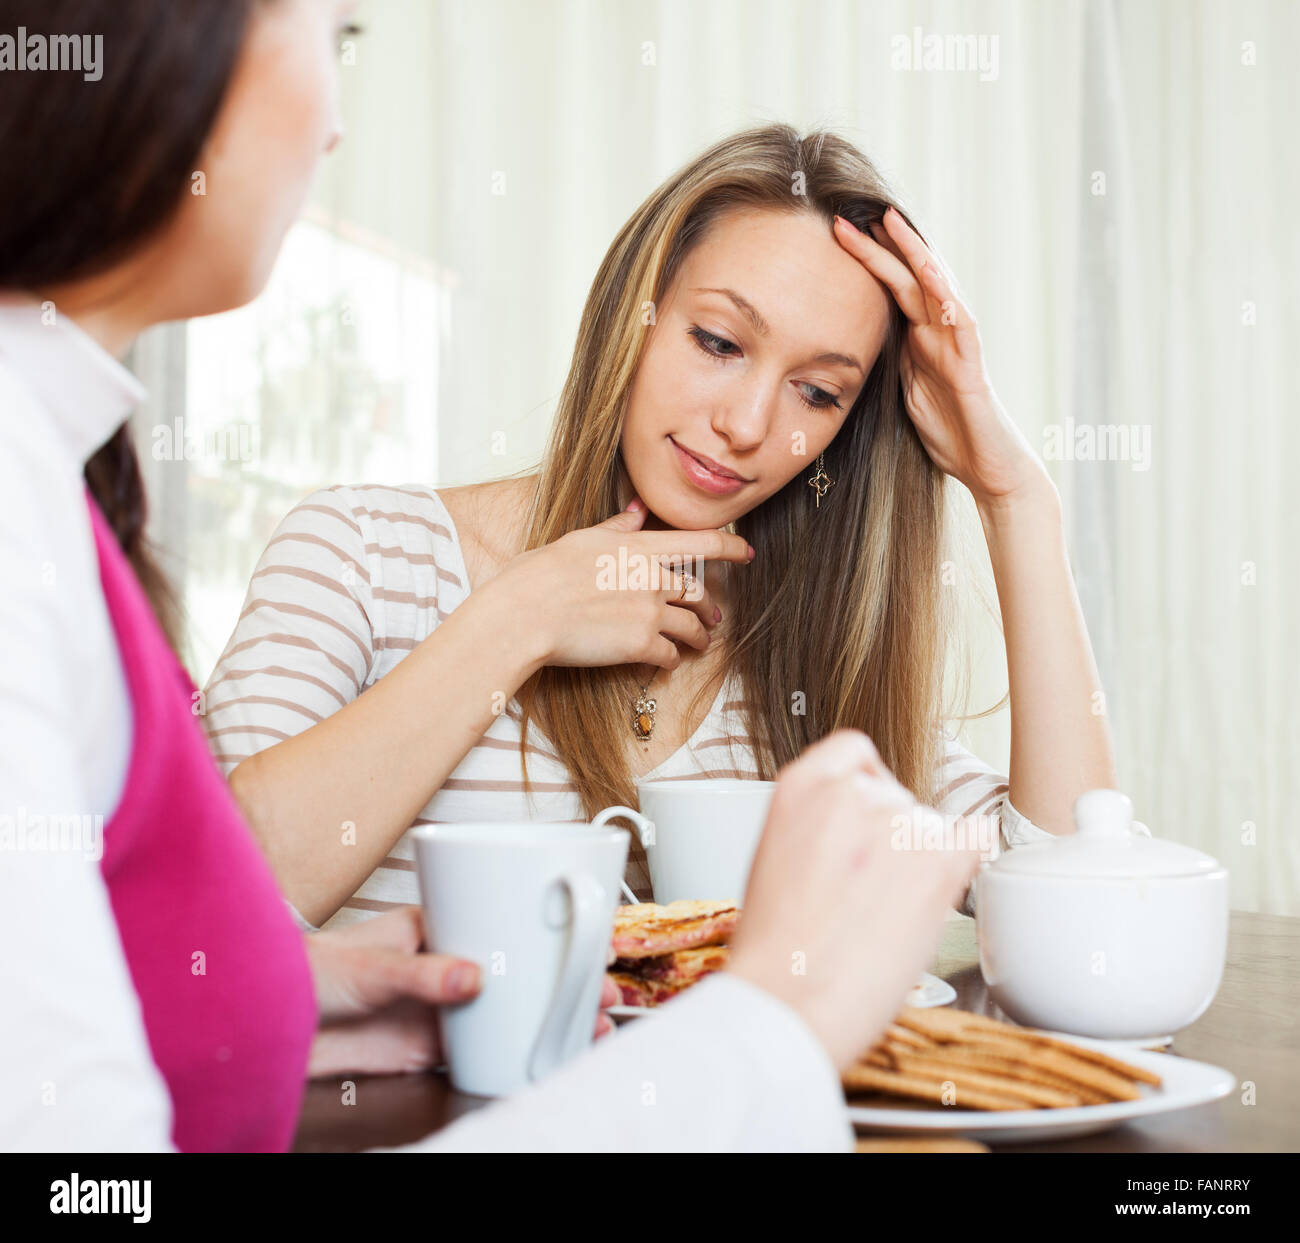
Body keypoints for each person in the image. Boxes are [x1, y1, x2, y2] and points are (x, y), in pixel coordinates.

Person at [1, 0, 980, 1154]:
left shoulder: (47, 475)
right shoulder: (271, 537)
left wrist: (1017, 496)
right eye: (335, 39)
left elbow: (1067, 875)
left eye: (820, 391)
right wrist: (769, 1024)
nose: (333, 129)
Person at [202, 121, 1116, 932]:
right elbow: (219, 905)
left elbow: (1080, 904)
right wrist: (524, 616)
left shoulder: (816, 665)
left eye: (819, 391)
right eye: (718, 342)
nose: (750, 424)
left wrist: (1015, 499)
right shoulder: (362, 554)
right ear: (629, 316)